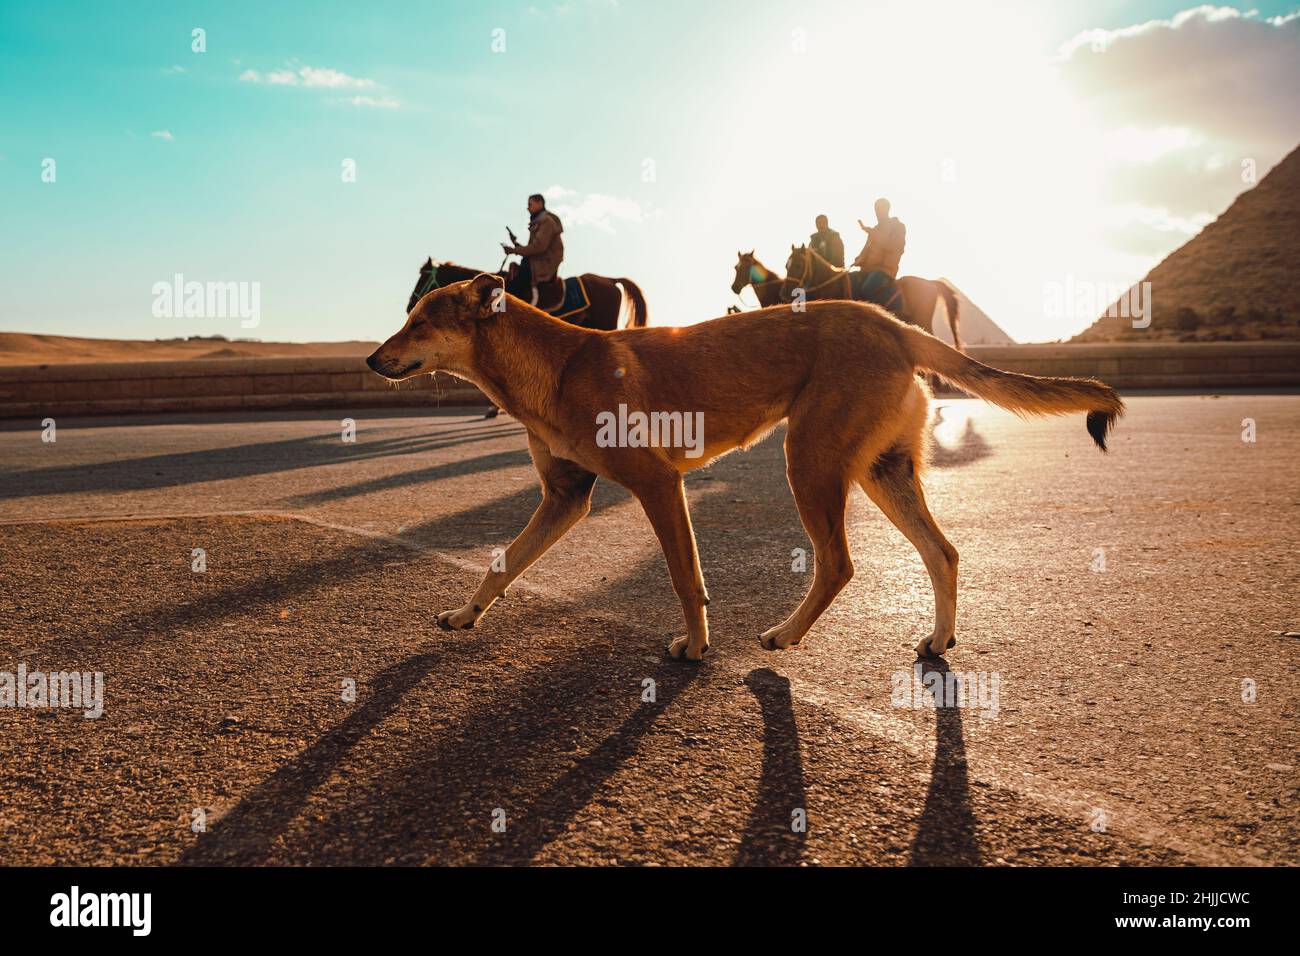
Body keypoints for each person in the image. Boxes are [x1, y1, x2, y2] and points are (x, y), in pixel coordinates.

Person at [503, 193, 565, 308]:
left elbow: (539, 247)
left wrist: (513, 250)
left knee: (514, 285)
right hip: (537, 260)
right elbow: (533, 249)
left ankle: (511, 312)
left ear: (540, 203)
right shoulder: (539, 221)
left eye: (530, 204)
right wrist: (515, 245)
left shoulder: (546, 221)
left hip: (544, 263)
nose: (528, 208)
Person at [853, 198, 906, 279]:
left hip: (885, 271)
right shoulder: (875, 230)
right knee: (847, 282)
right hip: (866, 270)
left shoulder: (897, 226)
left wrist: (873, 233)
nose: (877, 212)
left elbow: (894, 247)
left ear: (887, 209)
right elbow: (865, 251)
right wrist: (859, 259)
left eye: (880, 209)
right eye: (876, 209)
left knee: (868, 287)